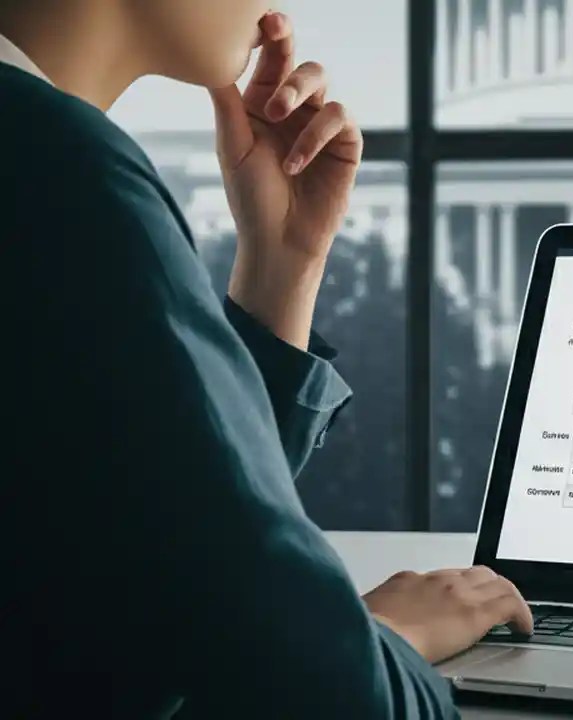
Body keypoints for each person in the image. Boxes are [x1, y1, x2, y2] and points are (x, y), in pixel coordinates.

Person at [0, 1, 532, 717]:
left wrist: (284, 265)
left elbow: (151, 549)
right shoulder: (64, 172)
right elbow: (325, 698)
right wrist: (377, 641)